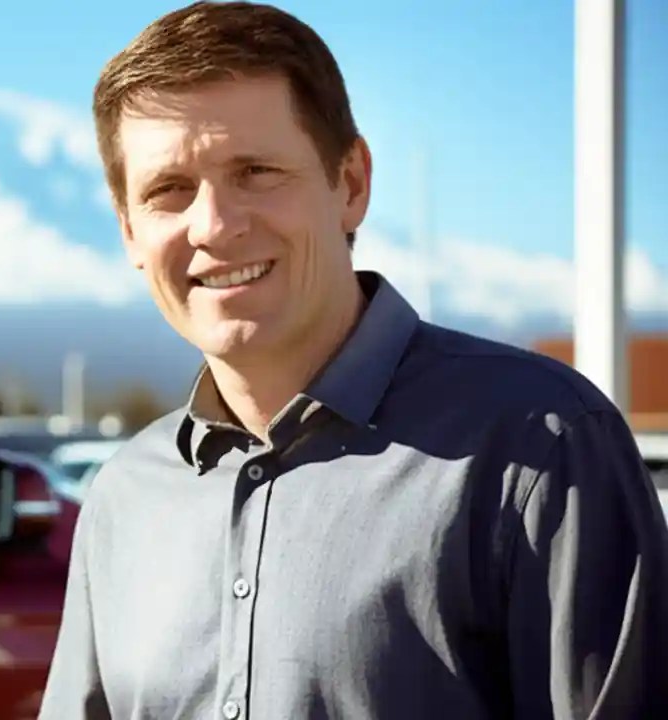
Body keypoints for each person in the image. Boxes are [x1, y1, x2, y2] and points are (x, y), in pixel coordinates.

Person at [38, 2, 668, 718]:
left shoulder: (537, 446)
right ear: (129, 230)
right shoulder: (124, 499)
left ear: (352, 184)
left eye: (255, 171)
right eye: (168, 190)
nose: (214, 224)